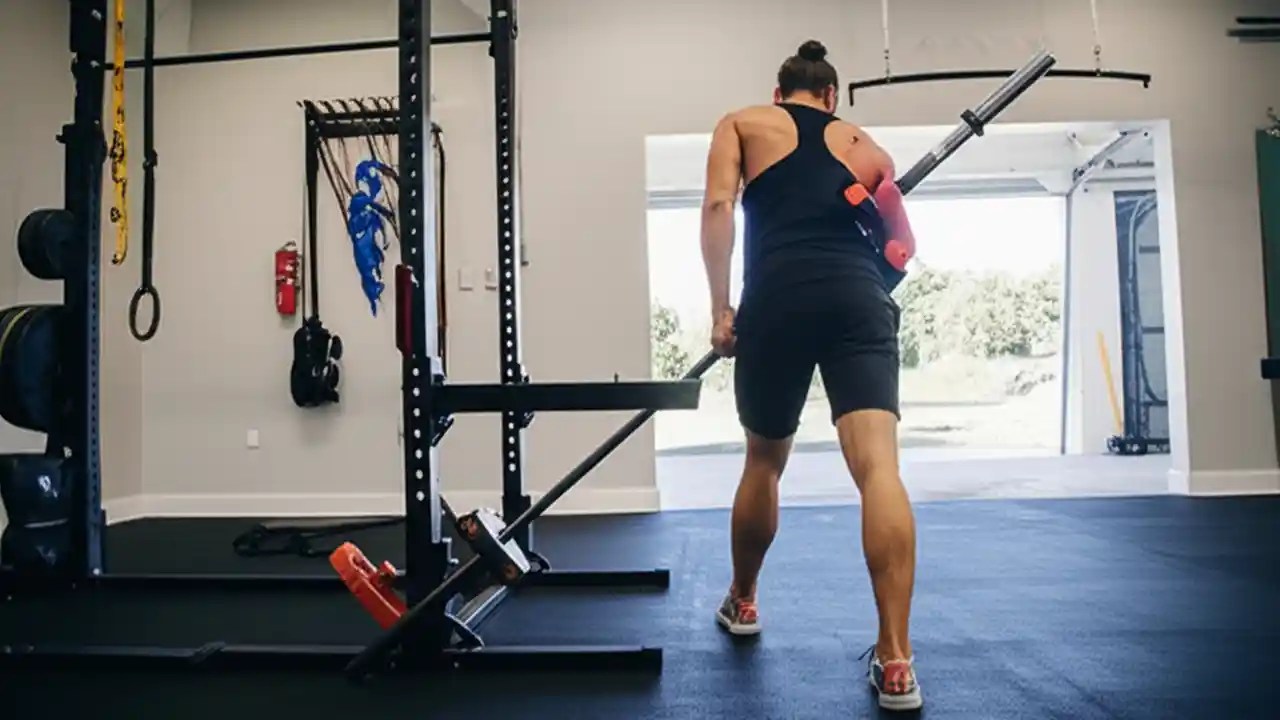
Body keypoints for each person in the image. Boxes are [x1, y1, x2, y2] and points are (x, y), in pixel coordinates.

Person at [698, 40, 923, 712]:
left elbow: (718, 210)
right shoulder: (866, 146)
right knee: (879, 470)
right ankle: (896, 661)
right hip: (858, 298)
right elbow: (899, 249)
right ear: (832, 99)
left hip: (778, 297)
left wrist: (720, 310)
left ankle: (743, 600)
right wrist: (860, 289)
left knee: (764, 462)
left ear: (780, 93)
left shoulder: (742, 122)